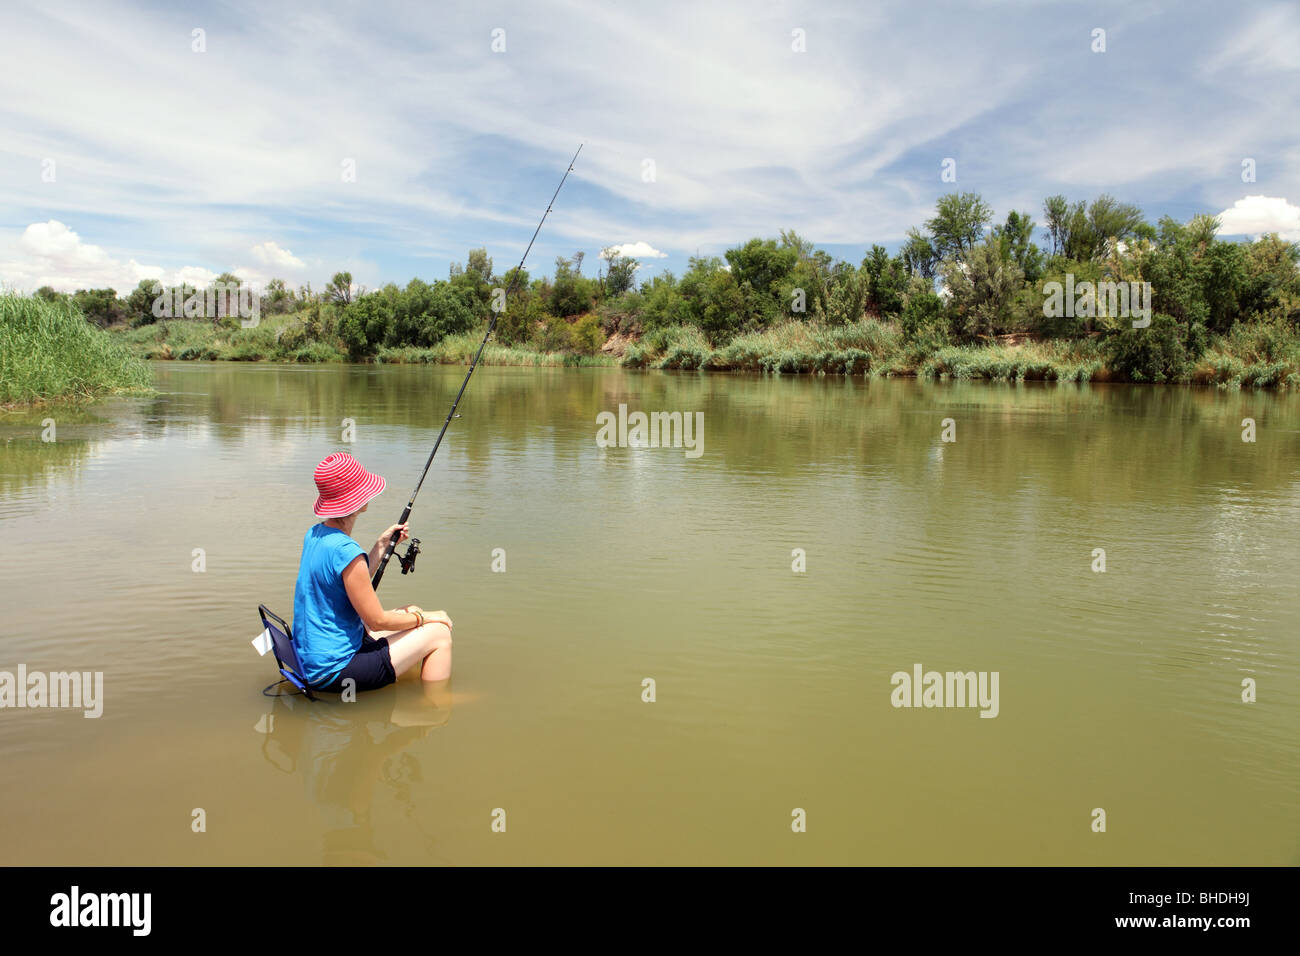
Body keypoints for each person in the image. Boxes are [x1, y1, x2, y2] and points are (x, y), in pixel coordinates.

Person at [293, 452, 453, 694]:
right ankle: (435, 706)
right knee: (439, 632)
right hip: (334, 671)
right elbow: (376, 622)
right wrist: (430, 617)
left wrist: (380, 545)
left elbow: (347, 584)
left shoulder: (315, 534)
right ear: (356, 499)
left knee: (411, 610)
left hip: (311, 658)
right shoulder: (347, 551)